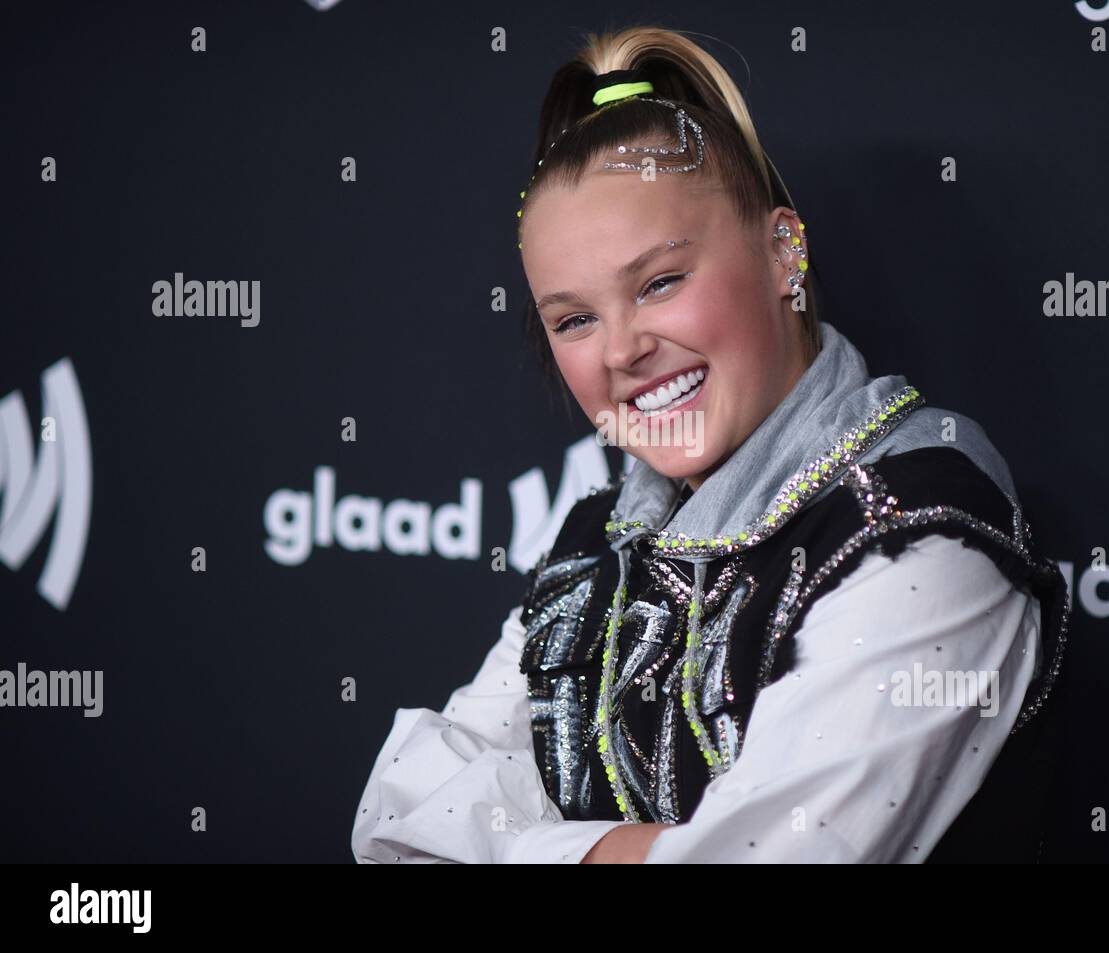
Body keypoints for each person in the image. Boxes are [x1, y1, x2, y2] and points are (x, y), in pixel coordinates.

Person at [351, 25, 1070, 864]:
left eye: (660, 282)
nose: (621, 351)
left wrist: (518, 840)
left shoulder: (923, 531)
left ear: (781, 251)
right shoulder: (598, 543)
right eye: (575, 319)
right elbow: (395, 813)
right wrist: (650, 848)